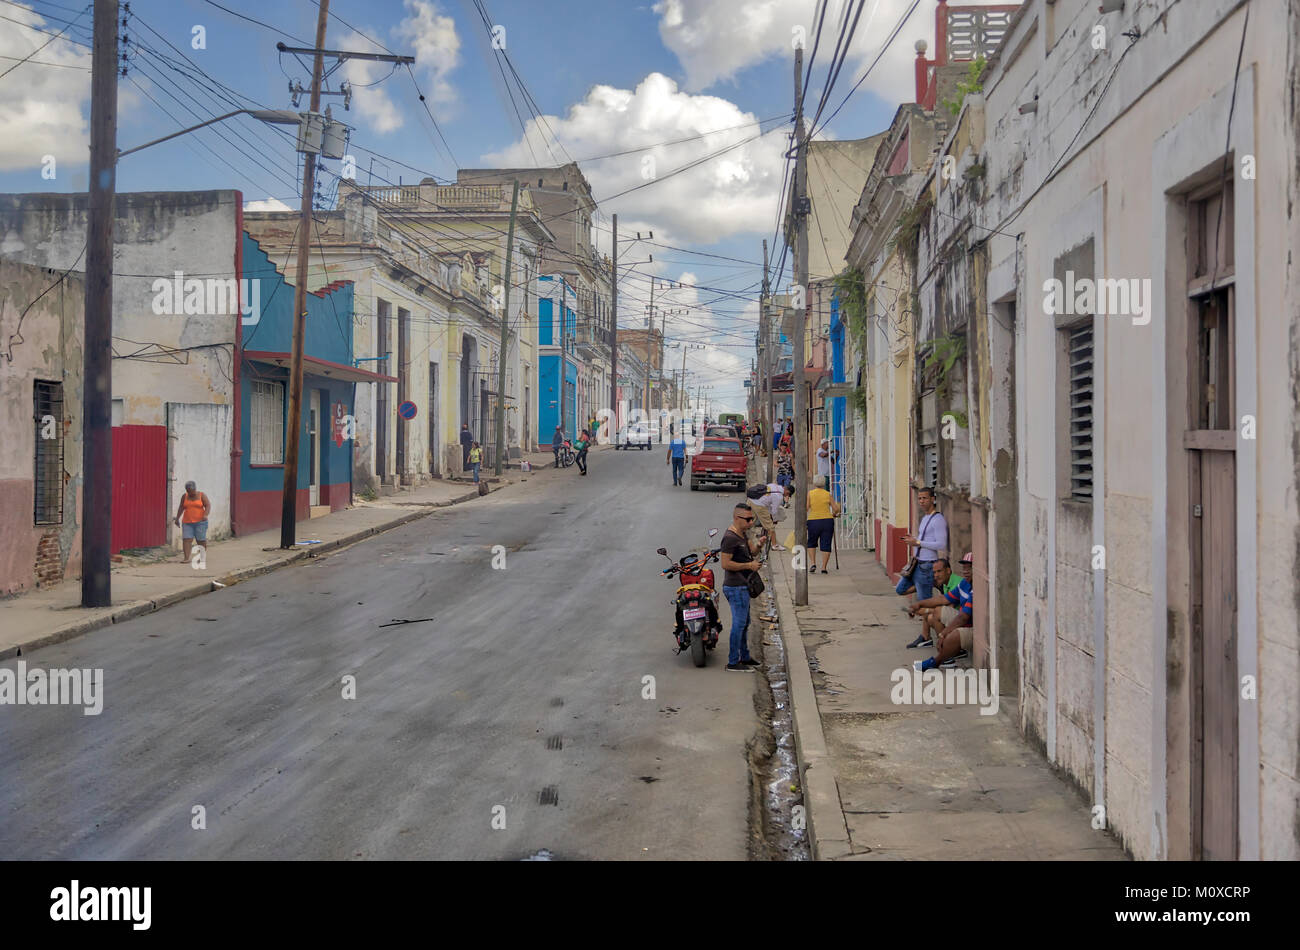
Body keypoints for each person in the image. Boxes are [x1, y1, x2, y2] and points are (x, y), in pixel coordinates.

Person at [913, 553, 974, 672]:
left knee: (953, 634)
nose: (966, 571)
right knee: (936, 612)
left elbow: (963, 617)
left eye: (969, 568)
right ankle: (945, 655)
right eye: (964, 568)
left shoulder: (974, 588)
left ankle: (938, 660)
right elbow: (944, 599)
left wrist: (943, 634)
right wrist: (920, 604)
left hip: (971, 625)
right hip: (964, 620)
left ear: (948, 571)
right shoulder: (965, 583)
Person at [719, 503, 762, 672]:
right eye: (748, 519)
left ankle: (744, 656)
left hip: (743, 586)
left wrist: (759, 544)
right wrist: (749, 566)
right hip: (735, 587)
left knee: (745, 622)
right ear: (737, 518)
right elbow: (725, 563)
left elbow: (752, 551)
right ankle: (733, 661)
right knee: (739, 624)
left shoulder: (742, 534)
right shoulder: (729, 538)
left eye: (752, 519)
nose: (751, 523)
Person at [897, 486, 948, 617]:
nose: (921, 501)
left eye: (925, 498)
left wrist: (918, 543)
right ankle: (928, 584)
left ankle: (927, 634)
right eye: (919, 498)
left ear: (933, 499)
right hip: (916, 563)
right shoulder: (925, 518)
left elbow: (941, 544)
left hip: (927, 565)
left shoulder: (938, 519)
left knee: (924, 603)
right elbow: (923, 539)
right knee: (900, 589)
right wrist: (913, 539)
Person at [904, 557, 958, 647]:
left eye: (939, 571)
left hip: (964, 620)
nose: (936, 575)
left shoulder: (956, 584)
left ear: (948, 571)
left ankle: (948, 647)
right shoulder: (945, 582)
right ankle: (942, 645)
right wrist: (918, 607)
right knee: (931, 616)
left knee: (934, 614)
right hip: (956, 617)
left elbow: (948, 608)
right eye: (934, 572)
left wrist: (924, 610)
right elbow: (941, 601)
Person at [805, 475, 842, 573]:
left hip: (813, 520)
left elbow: (806, 508)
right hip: (827, 521)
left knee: (811, 542)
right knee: (826, 543)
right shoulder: (827, 494)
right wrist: (834, 514)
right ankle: (824, 567)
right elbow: (836, 509)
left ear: (814, 483)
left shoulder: (810, 494)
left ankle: (813, 563)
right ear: (824, 483)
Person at [173, 480, 211, 564]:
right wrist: (177, 519)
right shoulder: (184, 496)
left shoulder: (202, 495)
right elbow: (181, 507)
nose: (190, 493)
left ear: (195, 489)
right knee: (186, 539)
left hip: (200, 522)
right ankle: (186, 558)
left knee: (201, 540)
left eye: (191, 491)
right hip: (187, 522)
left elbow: (208, 505)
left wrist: (205, 515)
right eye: (188, 491)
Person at [751, 481, 792, 551]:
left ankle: (744, 536)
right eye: (788, 494)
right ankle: (774, 545)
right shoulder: (779, 496)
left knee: (749, 521)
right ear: (787, 490)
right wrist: (774, 520)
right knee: (770, 527)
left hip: (752, 500)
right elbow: (774, 511)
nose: (786, 496)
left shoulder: (774, 485)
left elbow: (768, 500)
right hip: (759, 505)